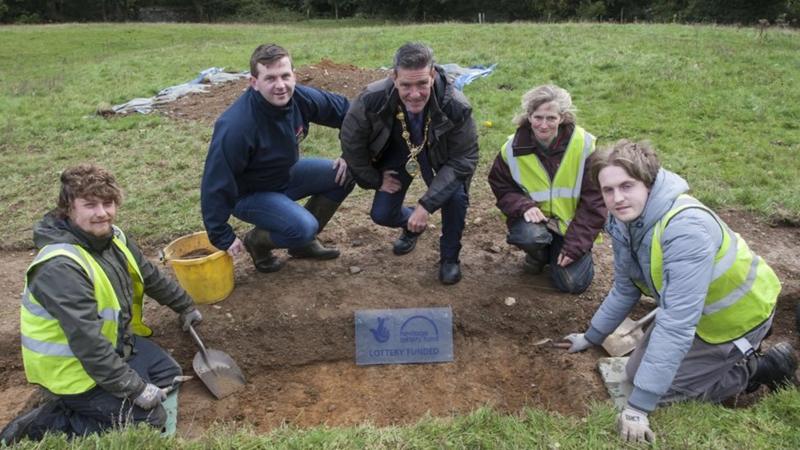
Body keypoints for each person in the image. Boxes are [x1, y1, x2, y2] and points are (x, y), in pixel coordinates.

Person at [562, 141, 797, 443]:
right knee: (634, 374)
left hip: (733, 318)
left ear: (647, 182)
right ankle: (723, 362)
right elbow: (625, 287)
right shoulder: (626, 221)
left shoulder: (685, 229)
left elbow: (676, 324)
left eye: (627, 186)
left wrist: (639, 407)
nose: (617, 198)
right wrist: (591, 337)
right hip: (694, 312)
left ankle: (757, 368)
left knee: (661, 394)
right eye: (608, 190)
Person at [0, 164, 203, 444]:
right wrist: (134, 389)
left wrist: (185, 305)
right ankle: (46, 421)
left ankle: (103, 401)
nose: (102, 213)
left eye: (108, 203)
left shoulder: (113, 237)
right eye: (90, 205)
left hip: (113, 348)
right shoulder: (60, 267)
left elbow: (149, 275)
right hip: (74, 372)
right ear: (69, 208)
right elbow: (89, 345)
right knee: (150, 421)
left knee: (167, 374)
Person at [201, 43, 354, 272]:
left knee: (344, 174)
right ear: (254, 82)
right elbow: (215, 181)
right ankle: (258, 242)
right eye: (270, 78)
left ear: (294, 75)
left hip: (284, 175)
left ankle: (302, 245)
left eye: (285, 76)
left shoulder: (299, 97)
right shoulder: (236, 126)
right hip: (248, 194)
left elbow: (349, 113)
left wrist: (350, 153)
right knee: (303, 226)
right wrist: (221, 234)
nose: (280, 86)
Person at [341, 42, 478, 285]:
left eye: (422, 84)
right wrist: (375, 179)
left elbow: (463, 160)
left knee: (454, 197)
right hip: (395, 150)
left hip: (439, 157)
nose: (414, 94)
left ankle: (449, 258)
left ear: (433, 74)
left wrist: (425, 206)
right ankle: (412, 226)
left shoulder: (456, 106)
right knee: (382, 214)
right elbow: (352, 144)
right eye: (406, 85)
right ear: (394, 77)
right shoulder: (371, 98)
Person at [488, 84, 606, 294]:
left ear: (562, 117)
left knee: (572, 284)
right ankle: (538, 255)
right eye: (538, 117)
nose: (543, 125)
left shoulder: (584, 146)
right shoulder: (512, 148)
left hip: (572, 227)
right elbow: (502, 186)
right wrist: (524, 206)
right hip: (535, 224)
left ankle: (559, 252)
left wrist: (575, 246)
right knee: (529, 237)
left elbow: (595, 202)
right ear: (529, 116)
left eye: (551, 118)